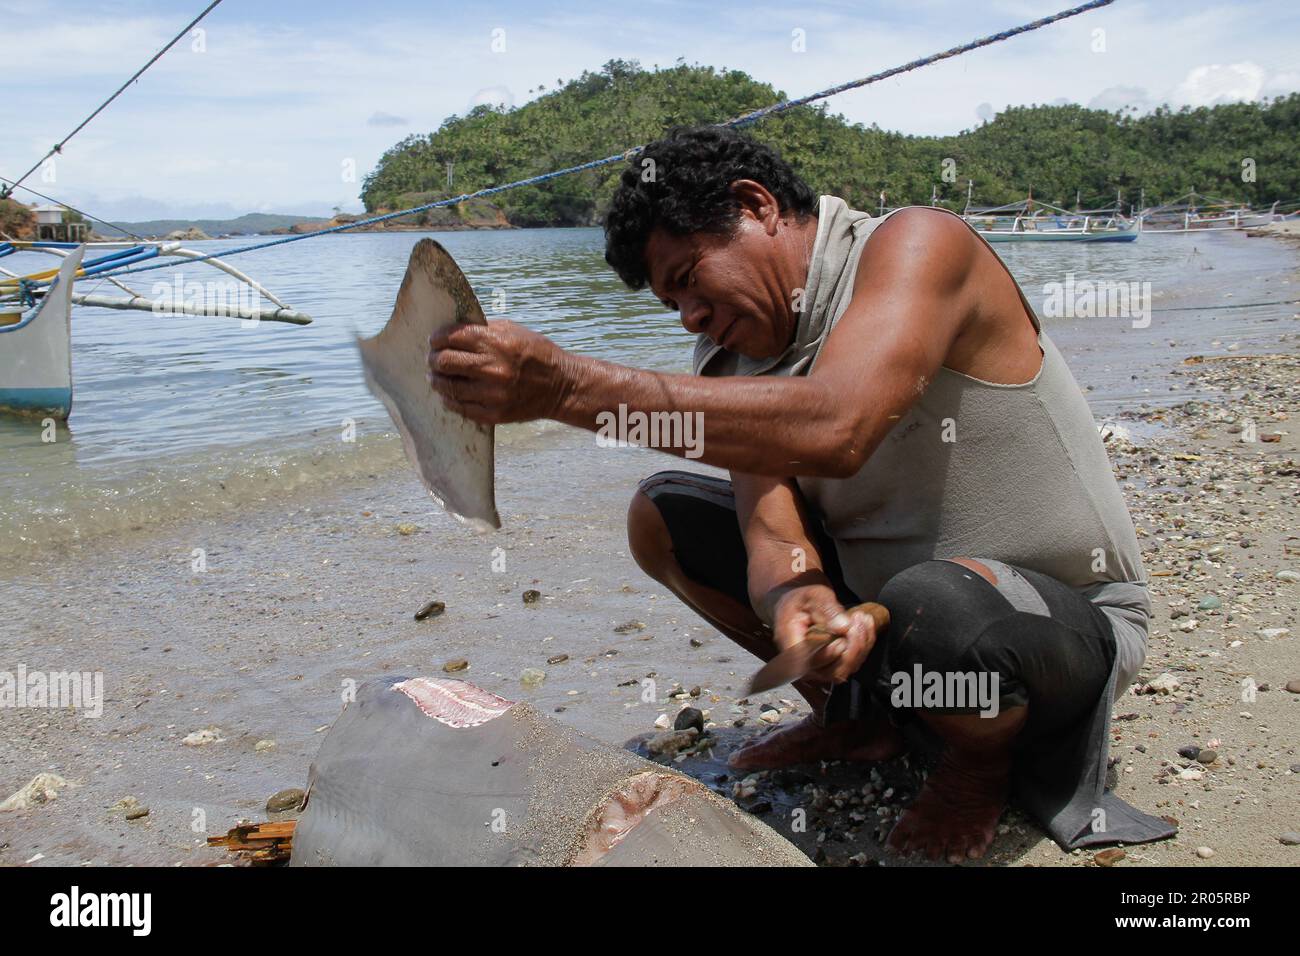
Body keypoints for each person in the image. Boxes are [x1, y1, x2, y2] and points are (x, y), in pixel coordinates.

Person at [427, 125, 1173, 863]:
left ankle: (976, 767)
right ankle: (857, 720)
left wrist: (562, 386)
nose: (689, 315)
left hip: (1052, 631)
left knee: (938, 604)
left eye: (688, 277)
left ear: (755, 207)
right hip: (895, 635)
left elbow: (837, 424)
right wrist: (796, 600)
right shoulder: (732, 355)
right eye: (670, 305)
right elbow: (771, 529)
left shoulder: (918, 246)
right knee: (660, 517)